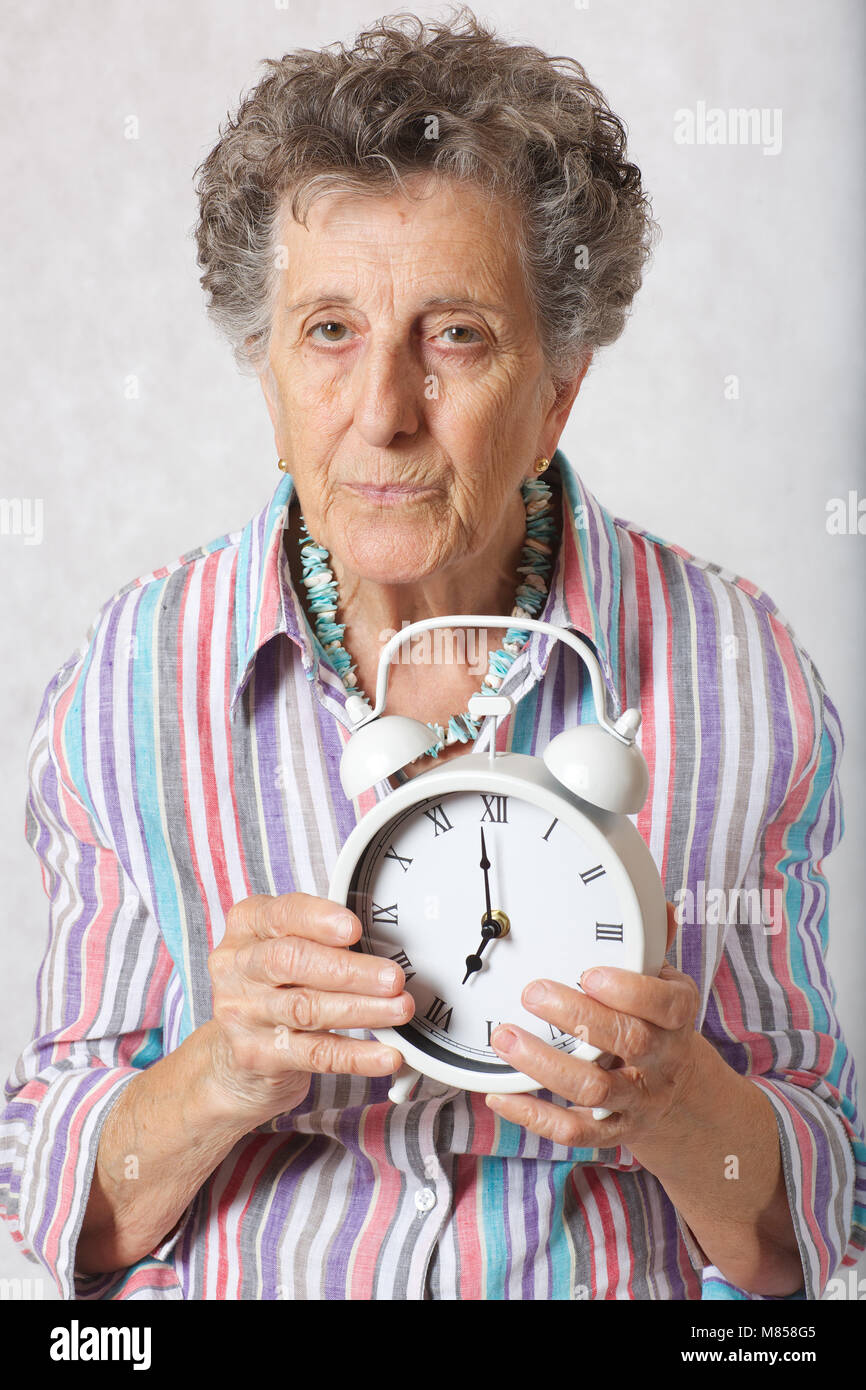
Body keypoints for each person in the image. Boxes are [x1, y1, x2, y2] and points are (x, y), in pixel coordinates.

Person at [1, 9, 863, 1302]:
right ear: (266, 367)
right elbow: (62, 1213)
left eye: (453, 334)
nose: (383, 414)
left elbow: (808, 1232)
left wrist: (676, 1107)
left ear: (558, 385)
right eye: (329, 332)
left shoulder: (736, 673)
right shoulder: (129, 683)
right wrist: (221, 1074)